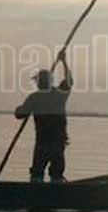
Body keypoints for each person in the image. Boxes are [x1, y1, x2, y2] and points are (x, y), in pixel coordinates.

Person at [15, 50, 73, 183]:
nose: (37, 83)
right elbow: (69, 80)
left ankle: (41, 188)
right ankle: (52, 188)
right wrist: (63, 62)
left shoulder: (35, 98)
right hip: (55, 141)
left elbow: (20, 114)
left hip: (45, 142)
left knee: (38, 172)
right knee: (54, 173)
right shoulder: (59, 95)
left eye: (38, 81)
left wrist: (19, 109)